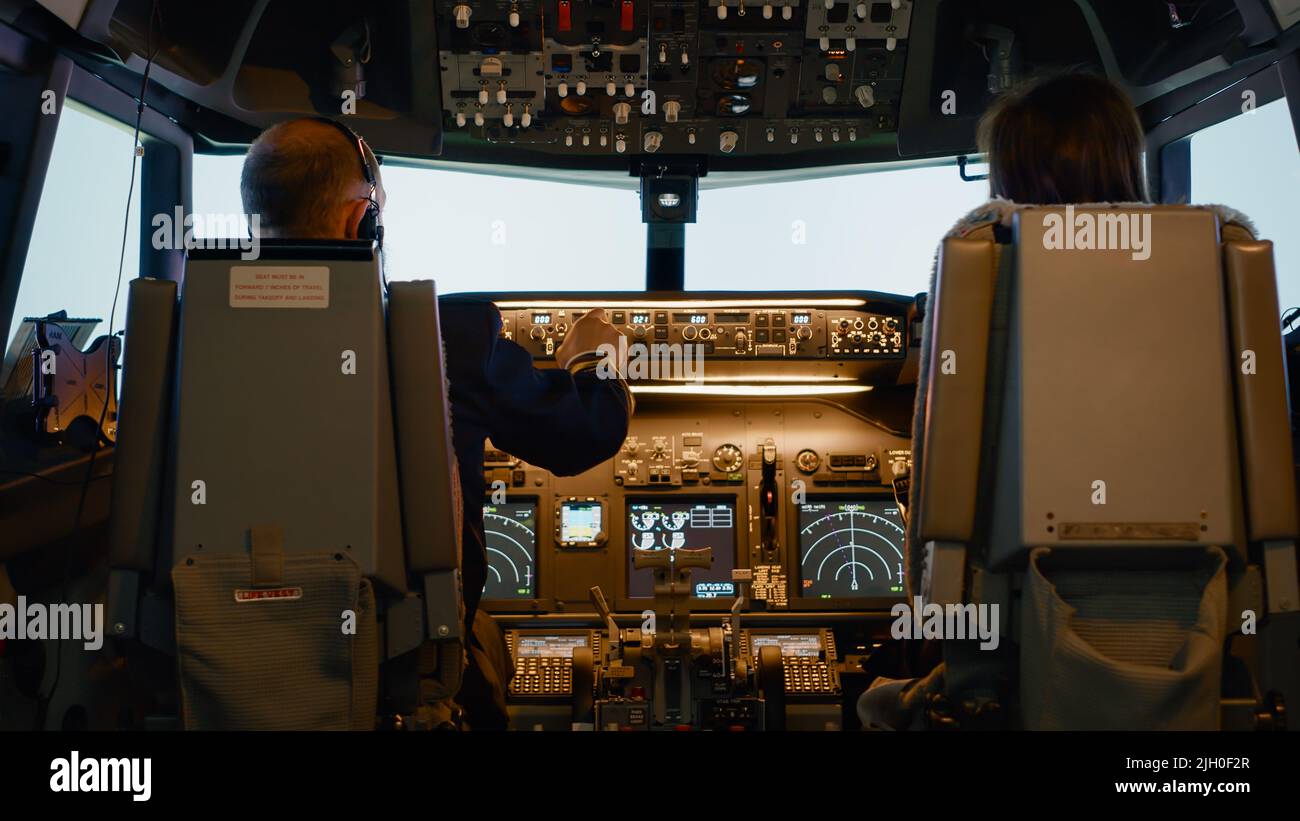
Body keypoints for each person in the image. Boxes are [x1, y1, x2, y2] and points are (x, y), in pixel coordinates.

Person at [864, 72, 1257, 730]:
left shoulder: (981, 271)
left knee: (873, 705)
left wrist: (931, 625)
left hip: (1004, 671)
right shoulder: (1224, 265)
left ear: (1009, 176)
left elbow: (940, 527)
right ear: (1125, 159)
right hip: (1203, 654)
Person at [240, 118, 633, 729]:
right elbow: (588, 433)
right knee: (489, 653)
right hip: (404, 687)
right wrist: (592, 357)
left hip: (237, 668)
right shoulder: (444, 341)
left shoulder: (189, 345)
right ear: (360, 221)